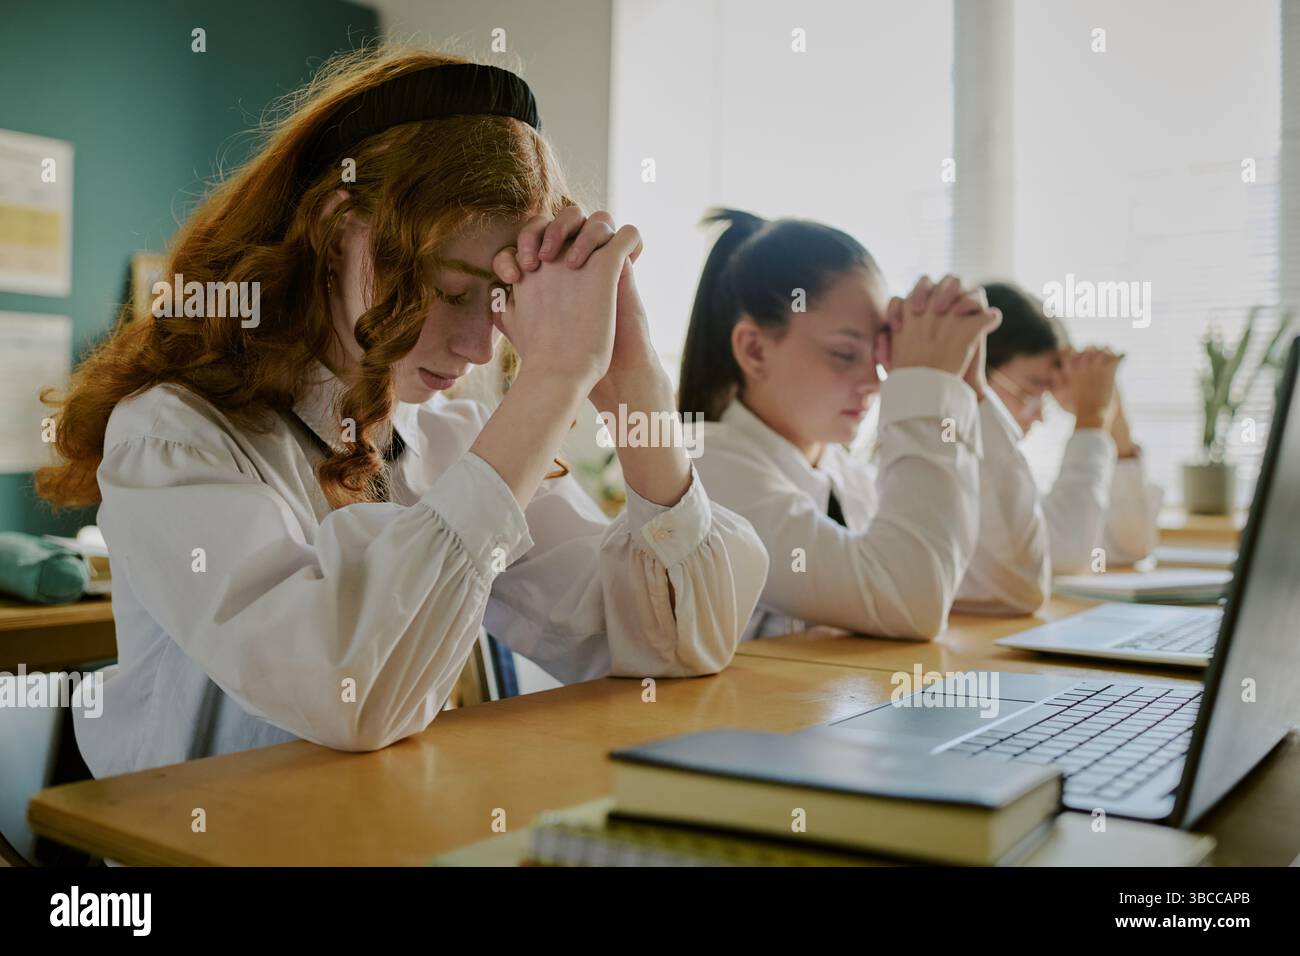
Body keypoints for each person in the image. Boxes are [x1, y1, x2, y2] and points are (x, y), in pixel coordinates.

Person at [35, 51, 768, 777]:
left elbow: (674, 646)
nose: (482, 347)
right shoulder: (175, 436)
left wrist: (634, 380)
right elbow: (351, 693)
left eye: (502, 302)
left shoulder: (446, 437)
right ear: (334, 226)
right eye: (453, 292)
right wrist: (548, 382)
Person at [678, 210, 1048, 643]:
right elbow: (912, 605)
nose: (874, 381)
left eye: (879, 356)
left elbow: (1012, 588)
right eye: (844, 353)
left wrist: (970, 389)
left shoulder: (847, 475)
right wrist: (928, 388)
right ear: (755, 349)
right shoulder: (706, 467)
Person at [983, 282, 1163, 572]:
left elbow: (1128, 548)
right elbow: (1066, 552)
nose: (1040, 415)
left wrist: (1114, 423)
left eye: (1048, 392)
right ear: (980, 370)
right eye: (1034, 387)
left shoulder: (1012, 472)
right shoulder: (958, 461)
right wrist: (1091, 417)